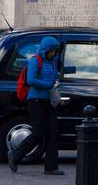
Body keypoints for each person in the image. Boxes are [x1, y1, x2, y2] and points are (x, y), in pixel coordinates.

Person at [9, 36, 63, 175]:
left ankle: (51, 167)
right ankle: (15, 156)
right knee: (38, 133)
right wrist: (48, 85)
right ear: (45, 50)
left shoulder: (53, 62)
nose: (54, 53)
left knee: (52, 133)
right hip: (36, 101)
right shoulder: (35, 60)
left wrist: (56, 84)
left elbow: (53, 78)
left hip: (49, 101)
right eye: (52, 51)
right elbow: (31, 79)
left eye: (55, 51)